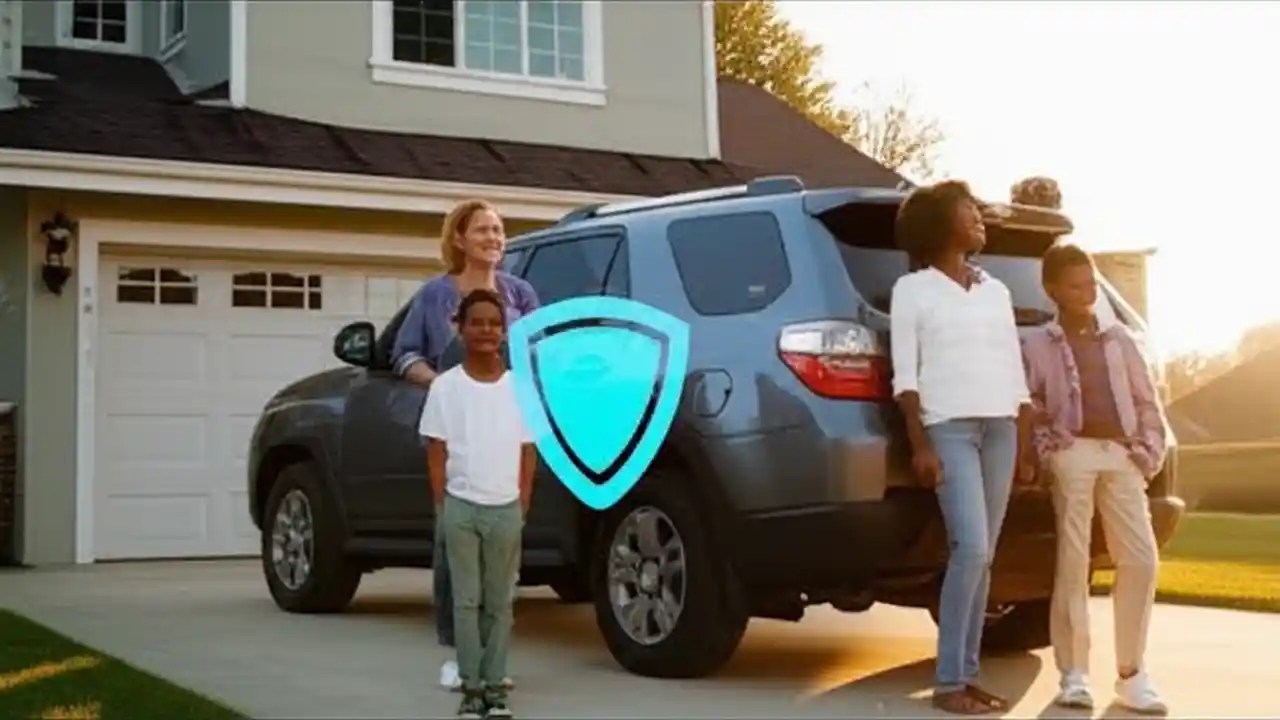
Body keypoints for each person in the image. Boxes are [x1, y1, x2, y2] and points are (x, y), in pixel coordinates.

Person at [889, 180, 1035, 715]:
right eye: (967, 209)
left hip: (1000, 428)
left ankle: (968, 677)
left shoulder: (995, 290)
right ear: (937, 224)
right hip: (948, 428)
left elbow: (1012, 369)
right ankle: (950, 682)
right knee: (969, 548)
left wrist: (1023, 440)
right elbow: (906, 376)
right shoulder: (915, 290)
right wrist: (919, 443)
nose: (977, 216)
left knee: (985, 556)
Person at [391, 199, 540, 691]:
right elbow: (405, 352)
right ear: (459, 238)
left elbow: (543, 353)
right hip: (457, 430)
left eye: (499, 230)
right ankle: (459, 655)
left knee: (500, 562)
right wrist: (442, 384)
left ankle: (493, 657)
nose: (494, 238)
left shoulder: (521, 295)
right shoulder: (435, 296)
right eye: (483, 230)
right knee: (454, 552)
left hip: (506, 427)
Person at [1021, 243, 1168, 715]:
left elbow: (1148, 400)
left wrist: (1146, 451)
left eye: (1091, 285)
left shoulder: (1120, 340)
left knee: (1141, 558)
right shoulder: (1038, 344)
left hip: (1121, 454)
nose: (1086, 294)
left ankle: (1132, 673)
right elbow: (1029, 405)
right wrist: (1051, 451)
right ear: (1053, 290)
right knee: (1073, 557)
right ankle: (1074, 673)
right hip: (1071, 453)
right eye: (1076, 286)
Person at [419, 288, 537, 720]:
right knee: (465, 601)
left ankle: (494, 686)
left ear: (504, 332)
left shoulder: (520, 388)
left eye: (493, 323)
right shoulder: (446, 388)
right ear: (461, 328)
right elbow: (436, 449)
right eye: (477, 322)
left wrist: (522, 503)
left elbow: (528, 451)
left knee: (500, 602)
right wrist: (443, 503)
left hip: (505, 507)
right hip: (461, 507)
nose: (485, 330)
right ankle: (471, 688)